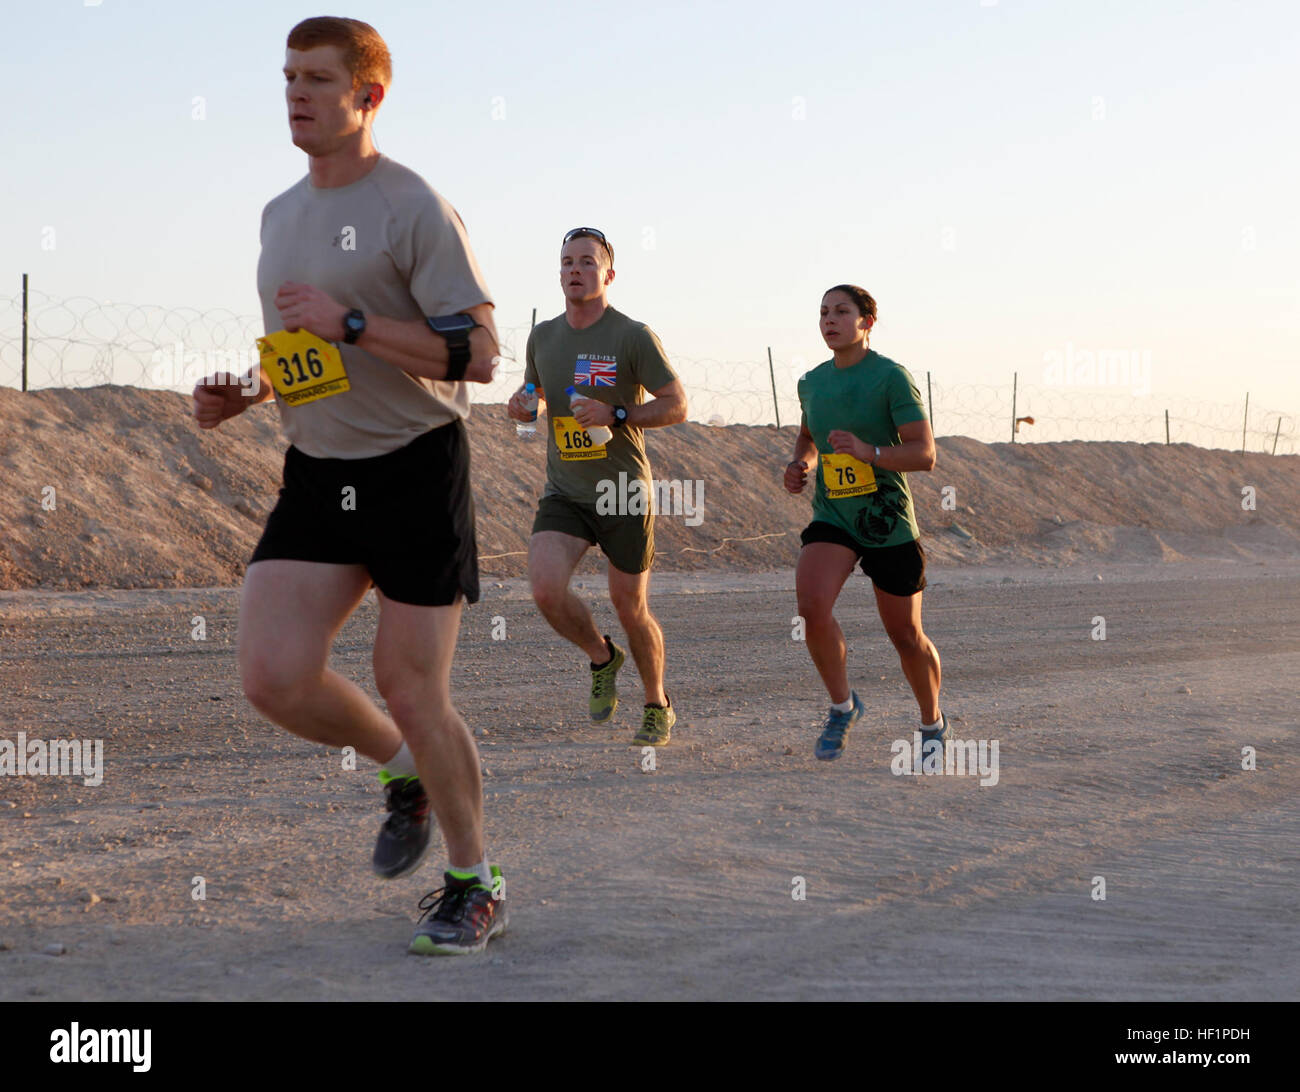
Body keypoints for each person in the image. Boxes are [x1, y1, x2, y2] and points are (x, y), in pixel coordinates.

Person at [191, 16, 506, 954]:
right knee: (273, 676)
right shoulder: (278, 212)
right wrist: (245, 392)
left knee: (410, 683)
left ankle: (474, 881)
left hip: (415, 468)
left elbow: (479, 355)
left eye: (318, 80)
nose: (296, 93)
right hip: (320, 470)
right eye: (288, 76)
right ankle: (402, 772)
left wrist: (356, 322)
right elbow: (306, 348)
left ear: (368, 97)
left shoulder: (415, 205)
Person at [507, 228, 687, 745]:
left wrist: (620, 412)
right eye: (567, 262)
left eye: (587, 261)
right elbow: (534, 396)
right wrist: (524, 405)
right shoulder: (542, 336)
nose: (575, 270)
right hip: (565, 489)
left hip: (623, 491)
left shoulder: (632, 334)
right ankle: (602, 657)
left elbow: (676, 403)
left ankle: (657, 702)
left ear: (608, 274)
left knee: (630, 606)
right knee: (544, 587)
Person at [784, 285, 946, 761]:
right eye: (822, 313)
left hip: (886, 519)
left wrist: (870, 452)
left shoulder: (891, 377)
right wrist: (802, 465)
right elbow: (808, 438)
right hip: (833, 513)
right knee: (812, 606)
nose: (829, 320)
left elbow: (925, 454)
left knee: (905, 636)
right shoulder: (811, 382)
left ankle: (932, 723)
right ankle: (842, 706)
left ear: (867, 322)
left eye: (841, 312)